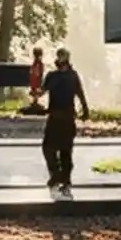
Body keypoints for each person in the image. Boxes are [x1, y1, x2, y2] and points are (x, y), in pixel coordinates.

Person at [40, 47, 89, 193]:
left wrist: (85, 110)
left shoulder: (73, 76)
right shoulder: (52, 76)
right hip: (54, 116)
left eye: (63, 56)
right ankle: (55, 174)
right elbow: (42, 90)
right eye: (59, 56)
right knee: (48, 148)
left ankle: (65, 179)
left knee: (65, 151)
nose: (60, 58)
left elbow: (80, 93)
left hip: (67, 117)